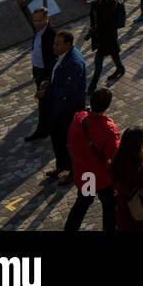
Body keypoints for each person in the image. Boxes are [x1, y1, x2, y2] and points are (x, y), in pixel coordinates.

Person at [65, 88, 120, 232]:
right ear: (107, 106)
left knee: (81, 205)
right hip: (103, 179)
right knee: (109, 209)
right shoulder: (109, 130)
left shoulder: (78, 119)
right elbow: (115, 159)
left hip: (85, 175)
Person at [44, 30, 87, 186]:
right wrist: (49, 81)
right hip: (60, 108)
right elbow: (57, 74)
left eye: (57, 44)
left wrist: (48, 92)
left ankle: (74, 171)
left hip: (70, 109)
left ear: (67, 45)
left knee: (71, 142)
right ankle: (62, 164)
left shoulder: (73, 63)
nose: (54, 46)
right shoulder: (64, 57)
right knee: (57, 138)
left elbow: (68, 89)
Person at [23, 6, 56, 141]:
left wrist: (48, 78)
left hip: (45, 73)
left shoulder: (51, 34)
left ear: (46, 18)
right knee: (46, 102)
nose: (36, 23)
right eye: (34, 21)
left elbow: (54, 59)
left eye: (38, 20)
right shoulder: (38, 31)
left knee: (43, 103)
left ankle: (42, 130)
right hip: (38, 71)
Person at [86, 0, 125, 90]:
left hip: (108, 34)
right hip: (100, 33)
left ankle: (92, 85)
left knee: (98, 60)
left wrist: (95, 3)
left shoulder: (111, 1)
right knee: (114, 53)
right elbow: (93, 16)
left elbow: (104, 16)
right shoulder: (98, 0)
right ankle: (120, 68)